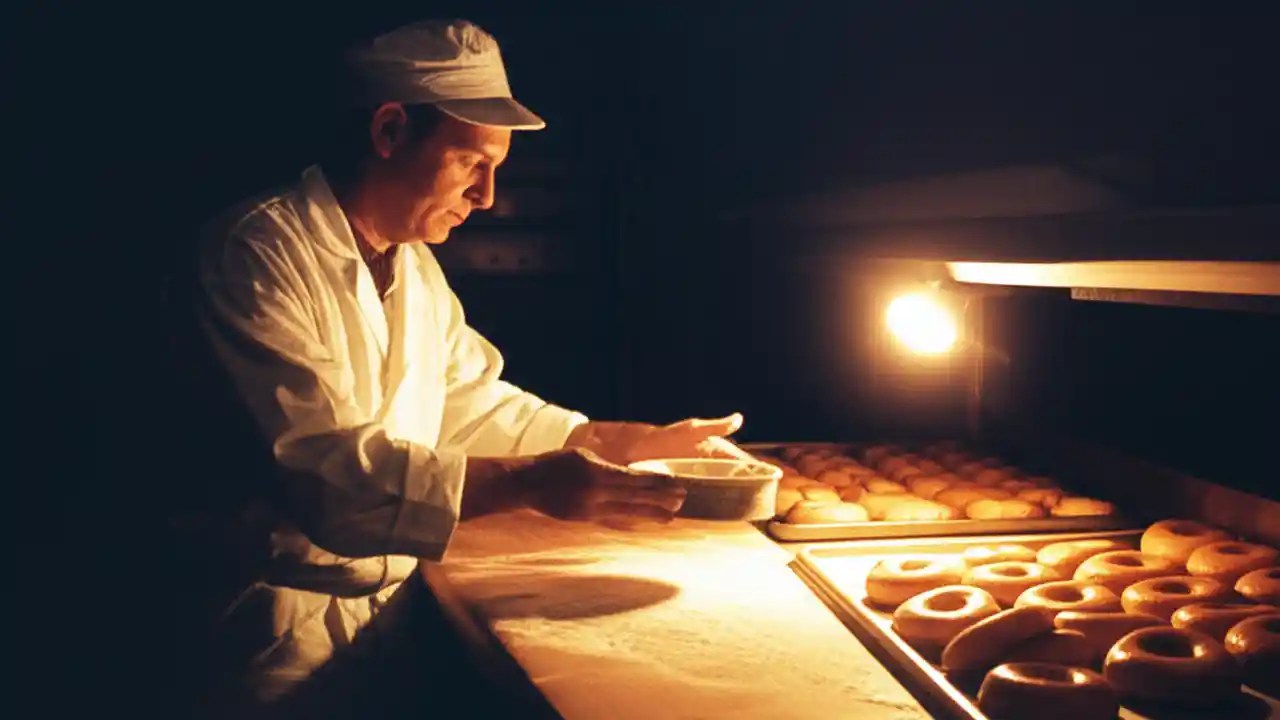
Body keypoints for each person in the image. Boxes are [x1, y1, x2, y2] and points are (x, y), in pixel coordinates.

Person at [186, 18, 746, 715]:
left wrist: (609, 441)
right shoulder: (256, 254)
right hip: (265, 647)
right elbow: (324, 474)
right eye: (469, 164)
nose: (485, 197)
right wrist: (532, 482)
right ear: (389, 132)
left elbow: (469, 400)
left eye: (495, 172)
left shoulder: (413, 266)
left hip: (384, 628)